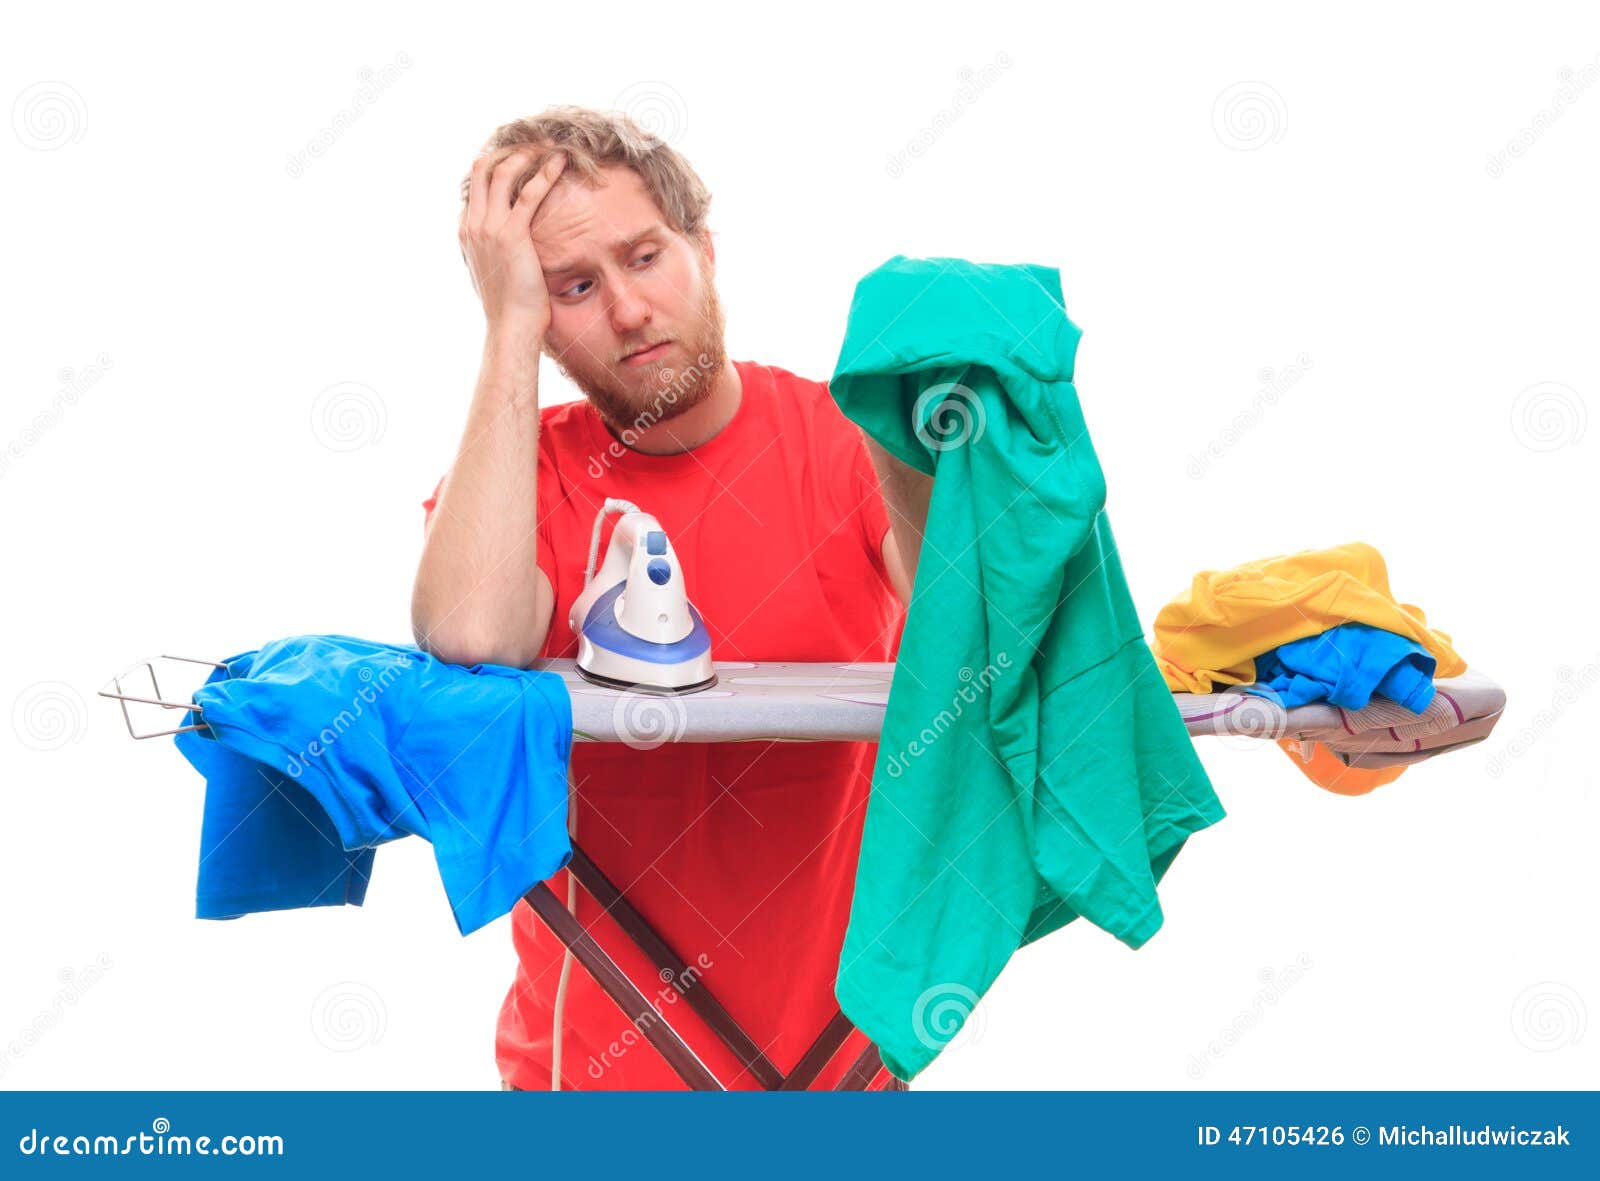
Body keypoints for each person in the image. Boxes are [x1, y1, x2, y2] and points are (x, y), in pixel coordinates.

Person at [411, 106, 931, 1090]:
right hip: (591, 1080)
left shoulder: (847, 439)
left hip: (848, 1070)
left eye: (645, 257)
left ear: (704, 246)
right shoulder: (527, 476)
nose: (627, 310)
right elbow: (472, 628)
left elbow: (976, 629)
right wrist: (507, 326)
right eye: (571, 287)